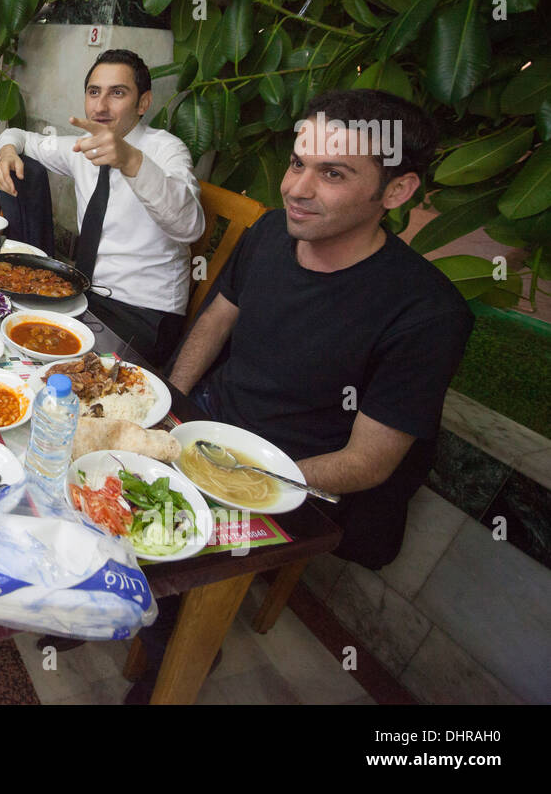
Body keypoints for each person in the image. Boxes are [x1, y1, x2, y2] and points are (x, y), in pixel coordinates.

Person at [126, 89, 474, 703]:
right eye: (297, 163)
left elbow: (369, 461)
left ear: (396, 192)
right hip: (203, 427)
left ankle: (175, 665)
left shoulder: (426, 312)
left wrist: (233, 479)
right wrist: (169, 403)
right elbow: (215, 321)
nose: (297, 189)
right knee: (84, 461)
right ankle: (101, 605)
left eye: (333, 173)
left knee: (172, 545)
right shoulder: (269, 236)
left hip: (292, 482)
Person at [0, 49, 204, 366]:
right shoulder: (81, 148)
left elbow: (189, 227)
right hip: (84, 298)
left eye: (117, 93)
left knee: (50, 363)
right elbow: (19, 135)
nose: (101, 106)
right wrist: (7, 152)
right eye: (94, 92)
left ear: (143, 103)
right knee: (2, 327)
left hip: (143, 314)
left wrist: (130, 160)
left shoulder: (167, 149)